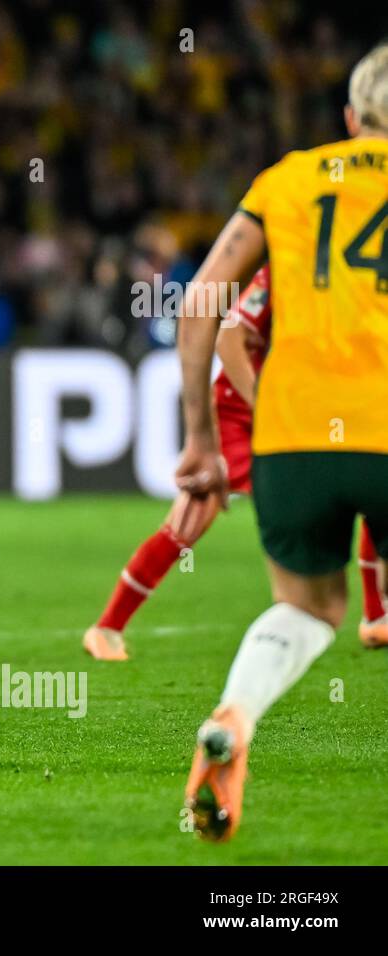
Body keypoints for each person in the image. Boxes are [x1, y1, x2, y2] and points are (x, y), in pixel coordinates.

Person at [176, 44, 388, 840]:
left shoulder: (290, 178)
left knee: (308, 606)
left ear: (348, 119)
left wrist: (202, 440)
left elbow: (202, 305)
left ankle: (238, 711)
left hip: (295, 437)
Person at [84, 264, 388, 660]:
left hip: (307, 415)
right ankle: (107, 627)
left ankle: (376, 617)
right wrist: (265, 406)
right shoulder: (284, 270)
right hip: (241, 412)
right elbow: (230, 340)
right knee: (196, 512)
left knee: (366, 479)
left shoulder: (354, 281)